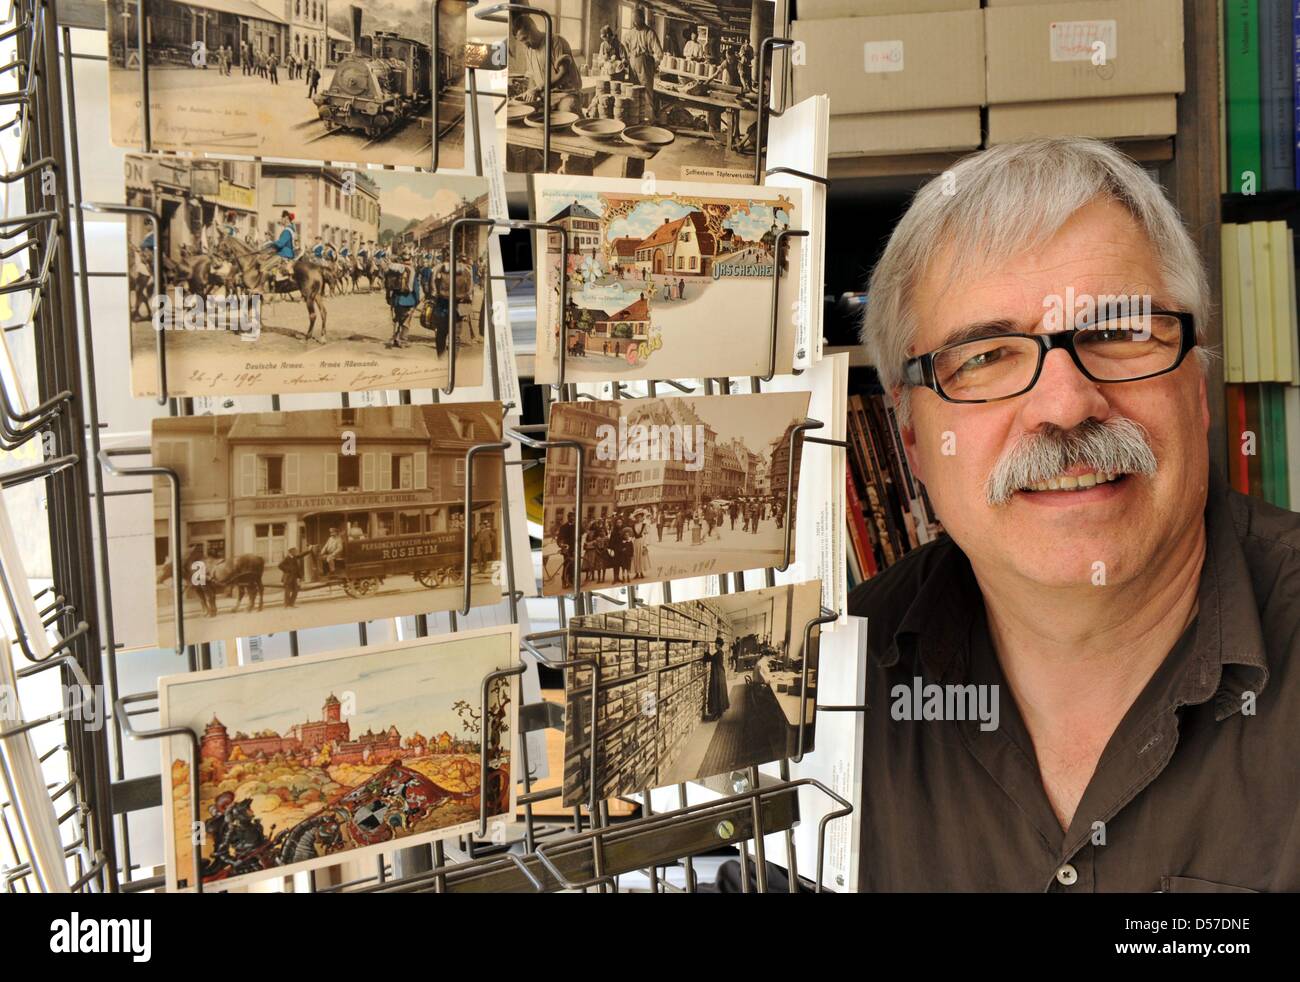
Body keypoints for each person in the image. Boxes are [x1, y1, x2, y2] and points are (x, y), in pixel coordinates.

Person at [851, 137, 1300, 892]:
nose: (1064, 406)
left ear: (1196, 386)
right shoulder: (832, 692)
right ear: (912, 443)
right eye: (986, 357)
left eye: (1117, 333)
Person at [511, 13, 582, 115]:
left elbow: (563, 75)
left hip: (566, 94)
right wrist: (530, 92)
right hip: (545, 97)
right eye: (522, 41)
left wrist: (538, 89)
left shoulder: (556, 41)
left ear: (533, 28)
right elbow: (532, 76)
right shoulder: (529, 50)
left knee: (567, 112)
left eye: (525, 38)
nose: (525, 44)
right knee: (525, 113)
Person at [623, 8, 663, 120]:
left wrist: (653, 65)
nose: (634, 22)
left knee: (646, 92)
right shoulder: (630, 33)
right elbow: (624, 42)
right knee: (633, 91)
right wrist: (628, 55)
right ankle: (635, 118)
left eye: (636, 19)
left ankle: (649, 119)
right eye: (632, 20)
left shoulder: (649, 33)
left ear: (642, 19)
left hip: (645, 63)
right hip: (632, 64)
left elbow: (660, 53)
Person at [703, 635, 729, 721]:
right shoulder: (720, 653)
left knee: (715, 693)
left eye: (715, 644)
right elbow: (712, 658)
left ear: (718, 645)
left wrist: (706, 649)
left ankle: (716, 713)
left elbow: (708, 658)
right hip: (720, 675)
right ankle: (719, 712)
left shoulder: (718, 654)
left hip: (717, 676)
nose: (714, 645)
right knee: (719, 693)